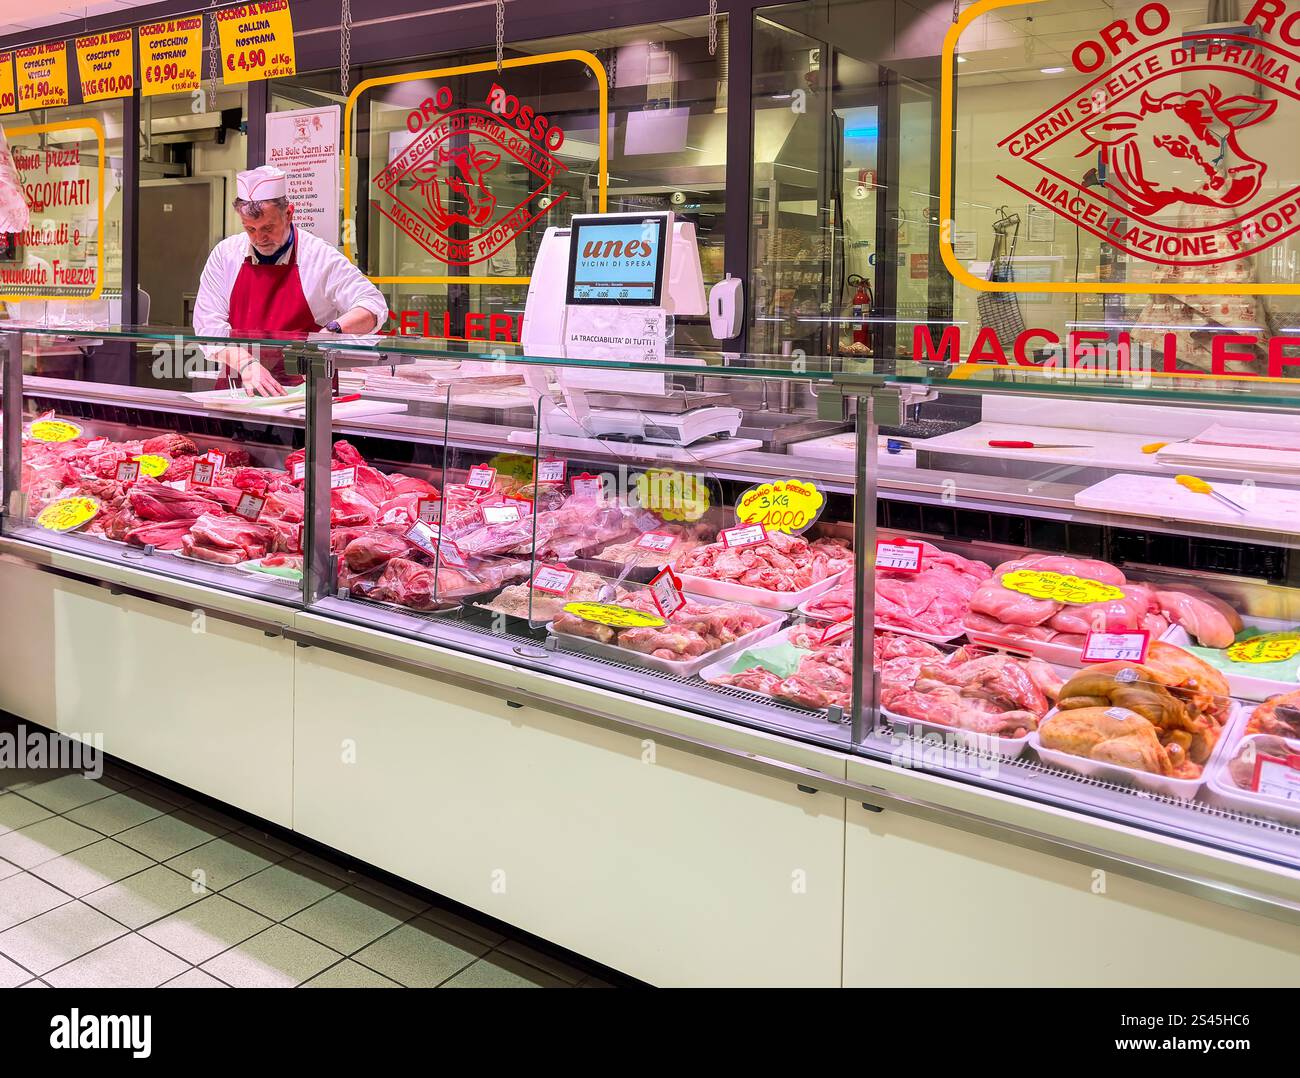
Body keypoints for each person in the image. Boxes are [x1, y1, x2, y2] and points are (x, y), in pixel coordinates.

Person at [193, 165, 388, 395]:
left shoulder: (319, 256)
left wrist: (331, 332)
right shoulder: (225, 255)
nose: (259, 238)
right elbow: (208, 326)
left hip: (307, 397)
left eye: (268, 227)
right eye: (250, 229)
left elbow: (372, 306)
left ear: (289, 213)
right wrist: (246, 363)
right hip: (240, 390)